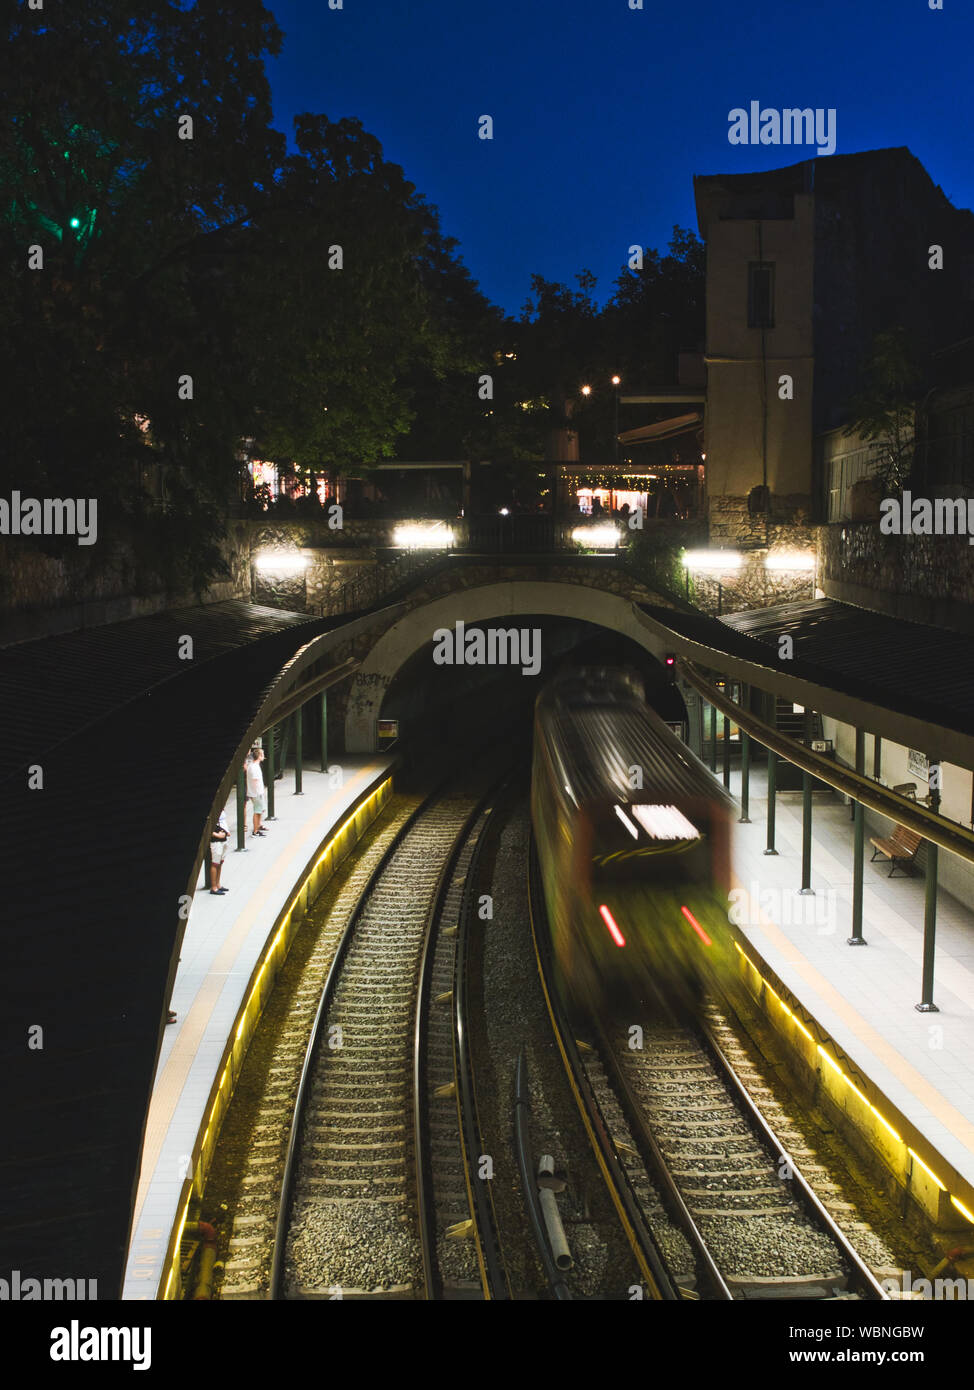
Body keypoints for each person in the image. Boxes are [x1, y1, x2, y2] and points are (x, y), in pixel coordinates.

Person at [246, 746, 268, 837]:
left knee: (259, 810)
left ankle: (258, 826)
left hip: (255, 792)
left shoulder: (252, 765)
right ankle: (255, 831)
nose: (263, 756)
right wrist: (259, 793)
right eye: (262, 754)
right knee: (257, 811)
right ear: (259, 756)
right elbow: (255, 781)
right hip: (256, 793)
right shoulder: (254, 767)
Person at [209, 809, 230, 894]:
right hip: (216, 840)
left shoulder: (221, 807)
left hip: (224, 838)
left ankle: (218, 884)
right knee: (215, 863)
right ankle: (213, 887)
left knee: (220, 862)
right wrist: (216, 834)